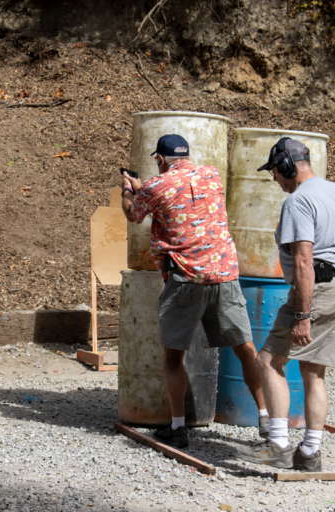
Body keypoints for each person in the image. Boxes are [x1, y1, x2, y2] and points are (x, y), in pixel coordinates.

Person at [121, 134, 269, 449]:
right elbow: (180, 198)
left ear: (159, 160)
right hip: (225, 276)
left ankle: (177, 428)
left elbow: (133, 214)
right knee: (245, 349)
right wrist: (145, 187)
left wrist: (128, 188)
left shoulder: (153, 187)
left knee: (174, 357)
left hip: (186, 279)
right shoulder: (212, 174)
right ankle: (267, 416)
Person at [235, 137, 335, 471]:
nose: (275, 179)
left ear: (286, 167)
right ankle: (309, 454)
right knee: (313, 372)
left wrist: (303, 315)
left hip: (316, 289)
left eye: (275, 172)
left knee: (269, 361)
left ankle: (277, 444)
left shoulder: (298, 202)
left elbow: (304, 262)